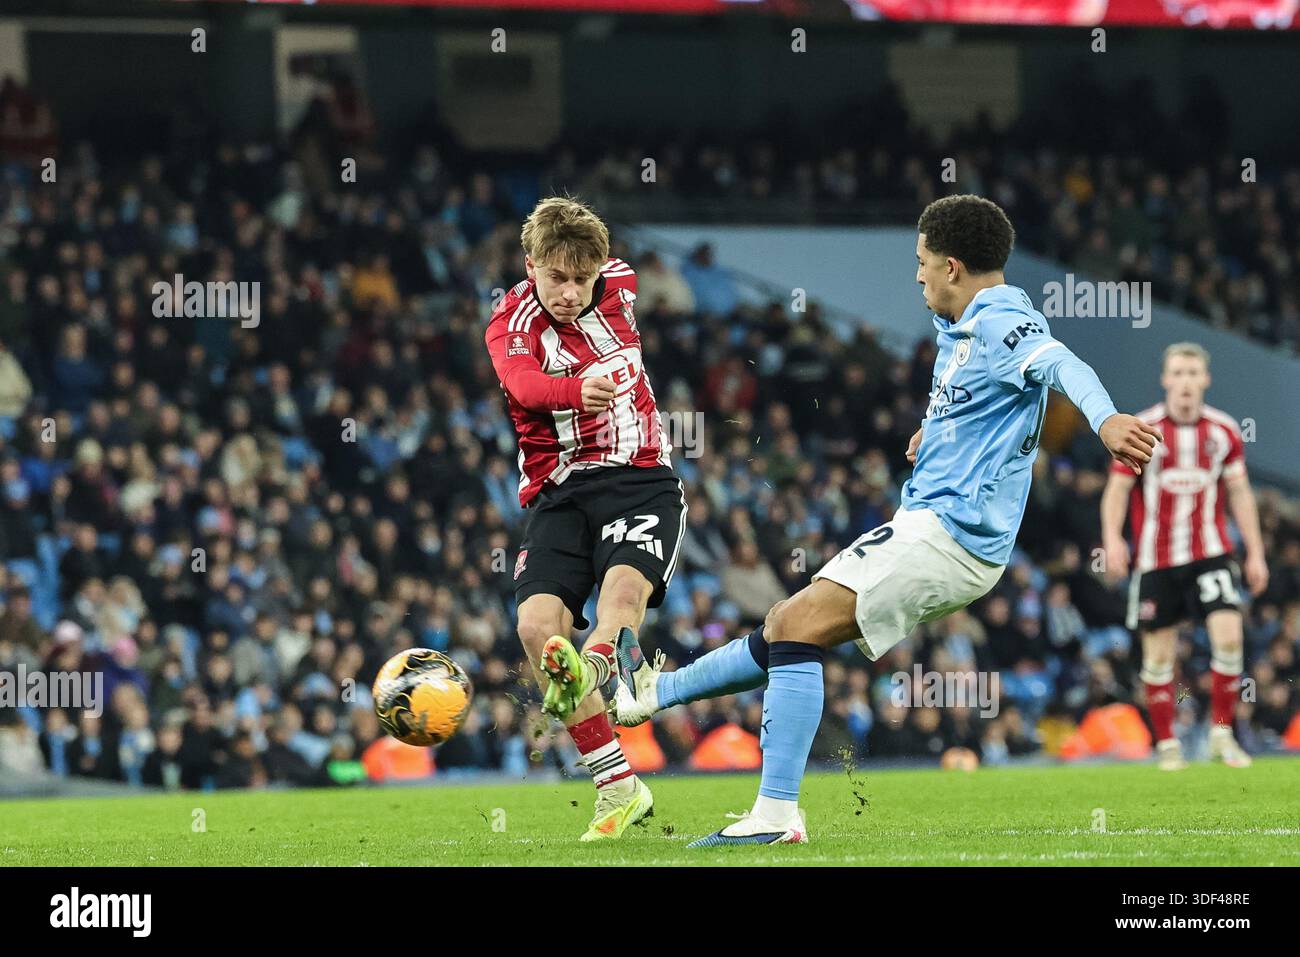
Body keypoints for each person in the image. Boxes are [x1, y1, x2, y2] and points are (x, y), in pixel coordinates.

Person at [609, 194, 1161, 846]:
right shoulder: (960, 324)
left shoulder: (1003, 318)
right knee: (787, 626)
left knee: (794, 624)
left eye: (923, 263)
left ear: (953, 265)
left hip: (952, 534)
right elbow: (987, 396)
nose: (918, 275)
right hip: (933, 523)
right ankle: (652, 694)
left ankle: (776, 814)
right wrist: (938, 429)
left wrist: (1107, 420)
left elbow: (1060, 362)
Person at [484, 196, 687, 841]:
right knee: (537, 627)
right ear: (531, 266)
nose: (570, 293)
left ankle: (600, 662)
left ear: (602, 268)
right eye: (556, 278)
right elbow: (525, 388)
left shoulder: (622, 281)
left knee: (622, 594)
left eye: (582, 278)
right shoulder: (508, 325)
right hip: (560, 495)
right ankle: (618, 785)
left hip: (639, 481)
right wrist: (578, 391)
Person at [1100, 342, 1268, 770]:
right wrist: (1112, 539)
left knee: (1229, 637)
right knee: (1158, 657)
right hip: (1157, 559)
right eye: (1178, 373)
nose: (1186, 382)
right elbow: (1118, 489)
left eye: (1194, 373)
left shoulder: (1224, 431)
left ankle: (1222, 734)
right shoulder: (1144, 427)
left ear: (1206, 380)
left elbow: (1239, 493)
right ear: (1166, 379)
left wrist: (1256, 553)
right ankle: (1168, 744)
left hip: (1211, 552)